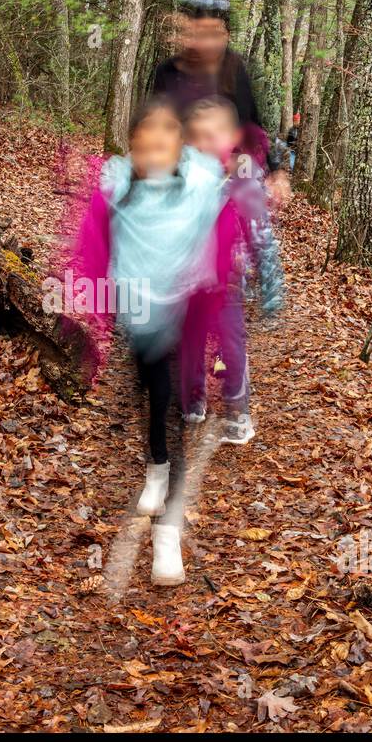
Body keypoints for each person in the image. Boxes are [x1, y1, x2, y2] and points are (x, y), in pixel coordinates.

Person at [68, 96, 228, 586]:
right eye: (145, 140)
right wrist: (83, 316)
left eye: (165, 138)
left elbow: (223, 246)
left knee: (176, 410)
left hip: (184, 309)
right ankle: (155, 467)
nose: (155, 147)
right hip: (139, 314)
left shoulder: (199, 190)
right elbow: (91, 249)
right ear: (133, 147)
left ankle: (167, 538)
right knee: (151, 401)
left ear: (179, 146)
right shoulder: (116, 192)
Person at [180, 96, 286, 443]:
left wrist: (270, 287)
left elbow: (260, 230)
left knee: (231, 341)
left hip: (229, 278)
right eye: (200, 134)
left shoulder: (244, 173)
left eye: (216, 134)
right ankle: (194, 398)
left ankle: (238, 413)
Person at [149, 0, 292, 209]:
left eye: (214, 34)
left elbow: (252, 123)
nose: (207, 42)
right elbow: (157, 126)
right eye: (200, 33)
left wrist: (275, 170)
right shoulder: (168, 72)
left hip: (230, 174)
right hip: (181, 174)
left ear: (224, 35)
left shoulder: (235, 70)